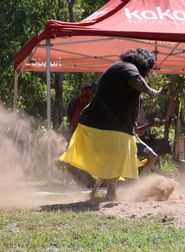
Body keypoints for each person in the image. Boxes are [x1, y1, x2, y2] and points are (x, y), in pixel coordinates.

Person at [59, 48, 161, 201]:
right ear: (144, 65)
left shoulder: (117, 68)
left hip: (99, 124)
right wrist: (151, 91)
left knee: (114, 159)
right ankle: (111, 193)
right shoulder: (128, 68)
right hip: (108, 125)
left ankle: (122, 189)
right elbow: (136, 81)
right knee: (114, 158)